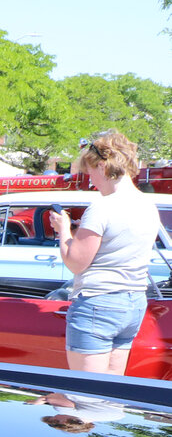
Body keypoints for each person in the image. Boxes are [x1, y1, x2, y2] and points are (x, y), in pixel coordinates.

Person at [48, 130, 160, 377]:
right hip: (134, 301)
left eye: (90, 173)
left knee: (87, 393)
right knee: (110, 391)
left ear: (102, 166)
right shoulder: (147, 205)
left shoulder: (102, 207)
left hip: (98, 301)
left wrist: (64, 230)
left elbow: (76, 262)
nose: (90, 181)